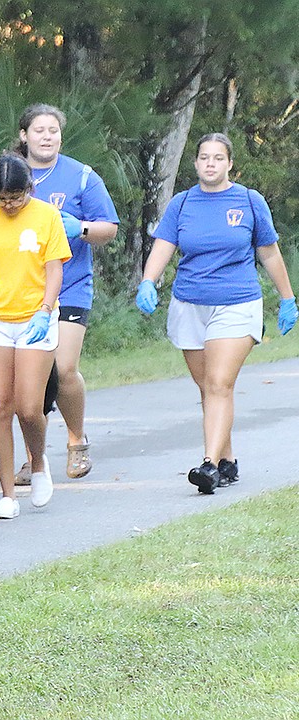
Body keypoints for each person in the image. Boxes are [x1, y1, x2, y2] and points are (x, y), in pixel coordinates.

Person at [137, 132, 296, 493]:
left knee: (219, 383)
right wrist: (149, 280)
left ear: (229, 164)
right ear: (195, 163)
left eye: (218, 158)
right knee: (207, 387)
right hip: (189, 303)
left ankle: (207, 465)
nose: (210, 163)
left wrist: (287, 297)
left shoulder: (249, 202)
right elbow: (164, 246)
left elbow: (269, 253)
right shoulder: (182, 204)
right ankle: (227, 460)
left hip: (237, 302)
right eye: (204, 157)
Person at [14, 104, 119, 483]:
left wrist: (83, 229)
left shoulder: (81, 176)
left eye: (53, 130)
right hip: (22, 291)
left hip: (71, 286)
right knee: (29, 380)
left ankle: (77, 441)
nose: (47, 137)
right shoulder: (11, 175)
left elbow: (109, 228)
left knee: (62, 368)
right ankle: (34, 457)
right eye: (39, 130)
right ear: (24, 135)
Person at [0, 152, 71, 520]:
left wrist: (45, 310)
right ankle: (7, 493)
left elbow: (54, 268)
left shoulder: (46, 216)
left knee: (29, 407)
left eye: (16, 197)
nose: (9, 204)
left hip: (35, 317)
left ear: (30, 188)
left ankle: (39, 463)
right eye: (2, 198)